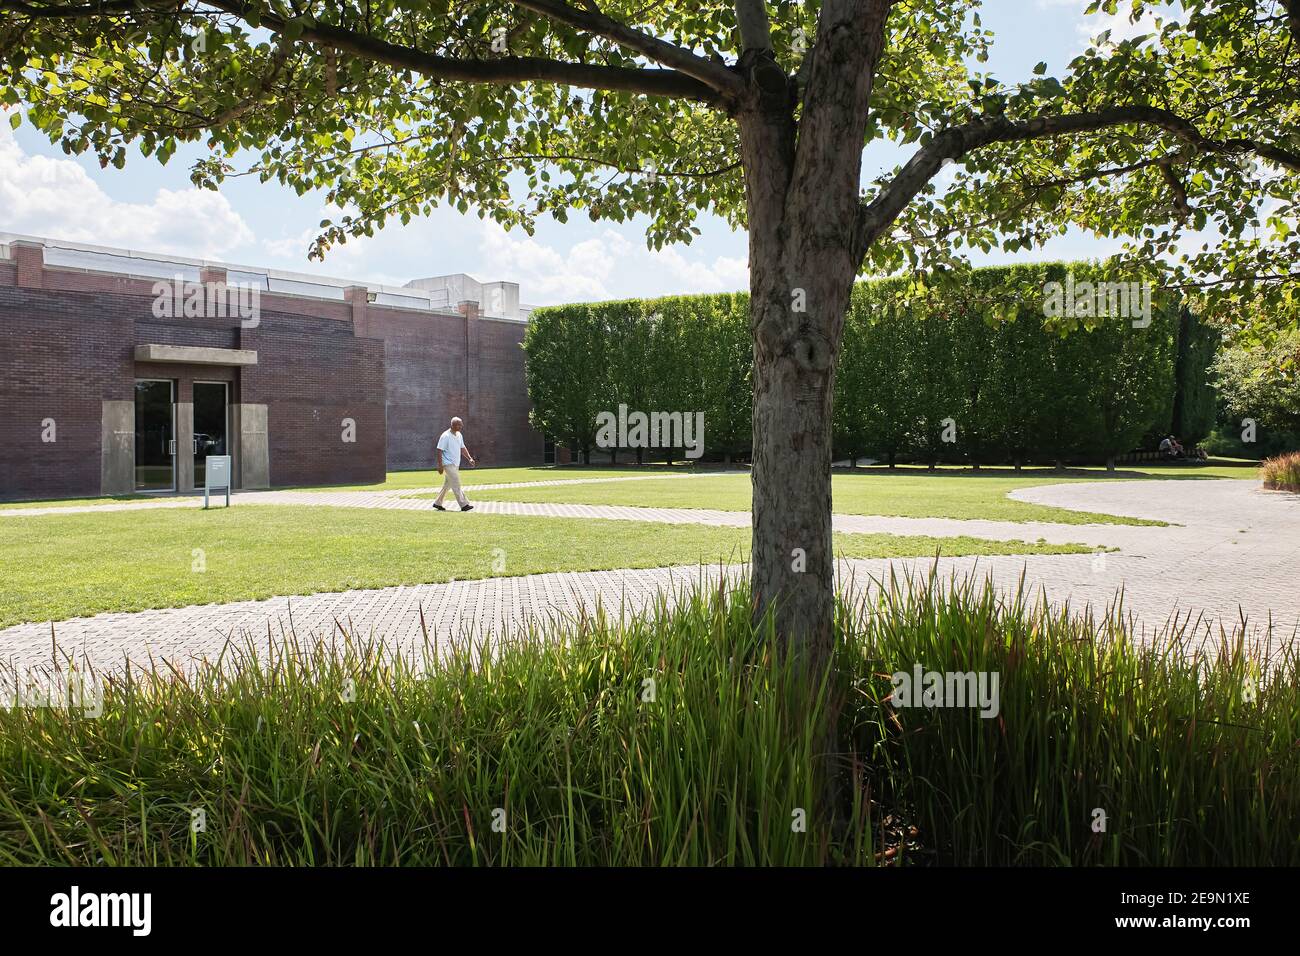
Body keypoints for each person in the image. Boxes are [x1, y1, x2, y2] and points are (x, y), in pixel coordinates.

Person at [432, 416, 476, 511]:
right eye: (459, 424)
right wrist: (440, 466)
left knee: (447, 485)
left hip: (456, 464)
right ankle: (464, 504)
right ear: (453, 425)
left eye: (461, 424)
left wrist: (469, 458)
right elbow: (439, 450)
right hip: (447, 464)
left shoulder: (459, 435)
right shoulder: (445, 436)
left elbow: (462, 448)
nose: (461, 426)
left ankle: (437, 503)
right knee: (456, 483)